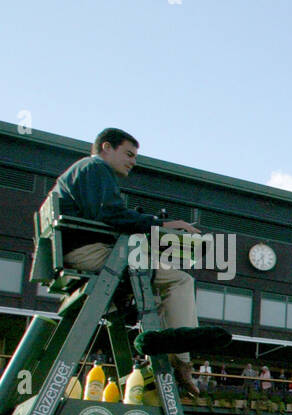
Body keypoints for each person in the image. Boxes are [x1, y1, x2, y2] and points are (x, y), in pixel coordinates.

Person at [48, 128, 202, 398]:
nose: (133, 161)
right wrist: (163, 224)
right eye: (129, 154)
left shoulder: (81, 172)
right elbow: (112, 214)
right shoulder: (95, 167)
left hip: (81, 250)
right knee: (180, 279)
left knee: (153, 294)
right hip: (91, 252)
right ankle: (182, 362)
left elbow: (108, 214)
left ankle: (161, 353)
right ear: (106, 147)